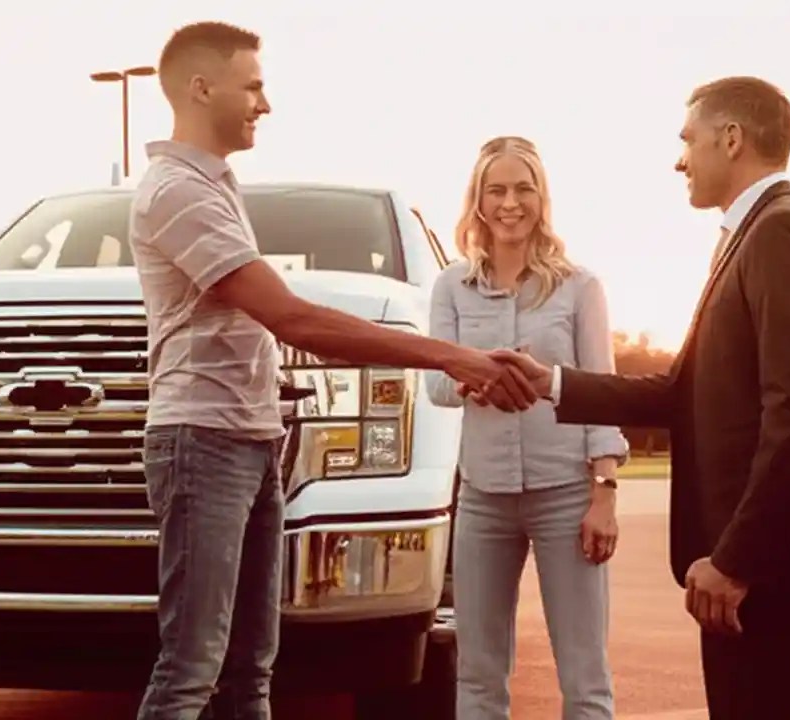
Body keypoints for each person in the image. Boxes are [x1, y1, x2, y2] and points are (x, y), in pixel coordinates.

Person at [126, 21, 536, 720]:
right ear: (200, 88)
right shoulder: (177, 193)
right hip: (203, 442)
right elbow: (293, 320)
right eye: (252, 86)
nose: (265, 103)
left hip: (249, 440)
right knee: (192, 668)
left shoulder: (213, 186)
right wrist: (453, 355)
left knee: (249, 671)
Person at [490, 77, 790, 720]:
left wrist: (737, 560)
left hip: (769, 573)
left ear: (731, 139)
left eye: (688, 139)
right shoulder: (748, 234)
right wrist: (551, 383)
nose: (680, 160)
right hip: (749, 568)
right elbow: (683, 392)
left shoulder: (785, 232)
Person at [427, 136, 627, 720]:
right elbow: (436, 385)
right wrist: (477, 376)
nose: (510, 203)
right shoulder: (451, 287)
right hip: (483, 499)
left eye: (523, 189)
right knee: (478, 673)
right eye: (497, 190)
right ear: (478, 201)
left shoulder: (580, 286)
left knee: (584, 675)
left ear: (541, 199)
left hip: (565, 495)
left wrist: (604, 495)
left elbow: (602, 393)